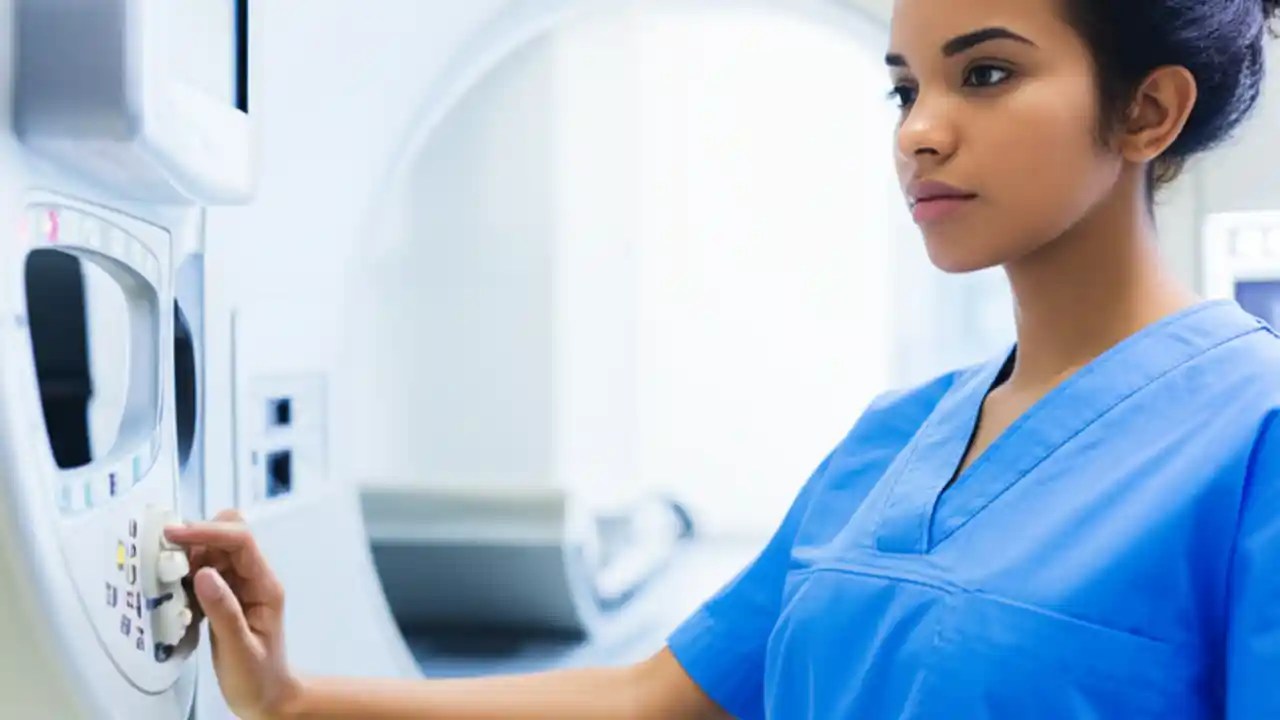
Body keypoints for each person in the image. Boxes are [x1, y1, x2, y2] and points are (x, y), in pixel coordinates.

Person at [165, 0, 1280, 717]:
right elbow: (657, 696)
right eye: (903, 87)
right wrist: (294, 699)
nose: (917, 131)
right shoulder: (893, 440)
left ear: (1145, 111)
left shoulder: (1249, 435)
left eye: (982, 75)